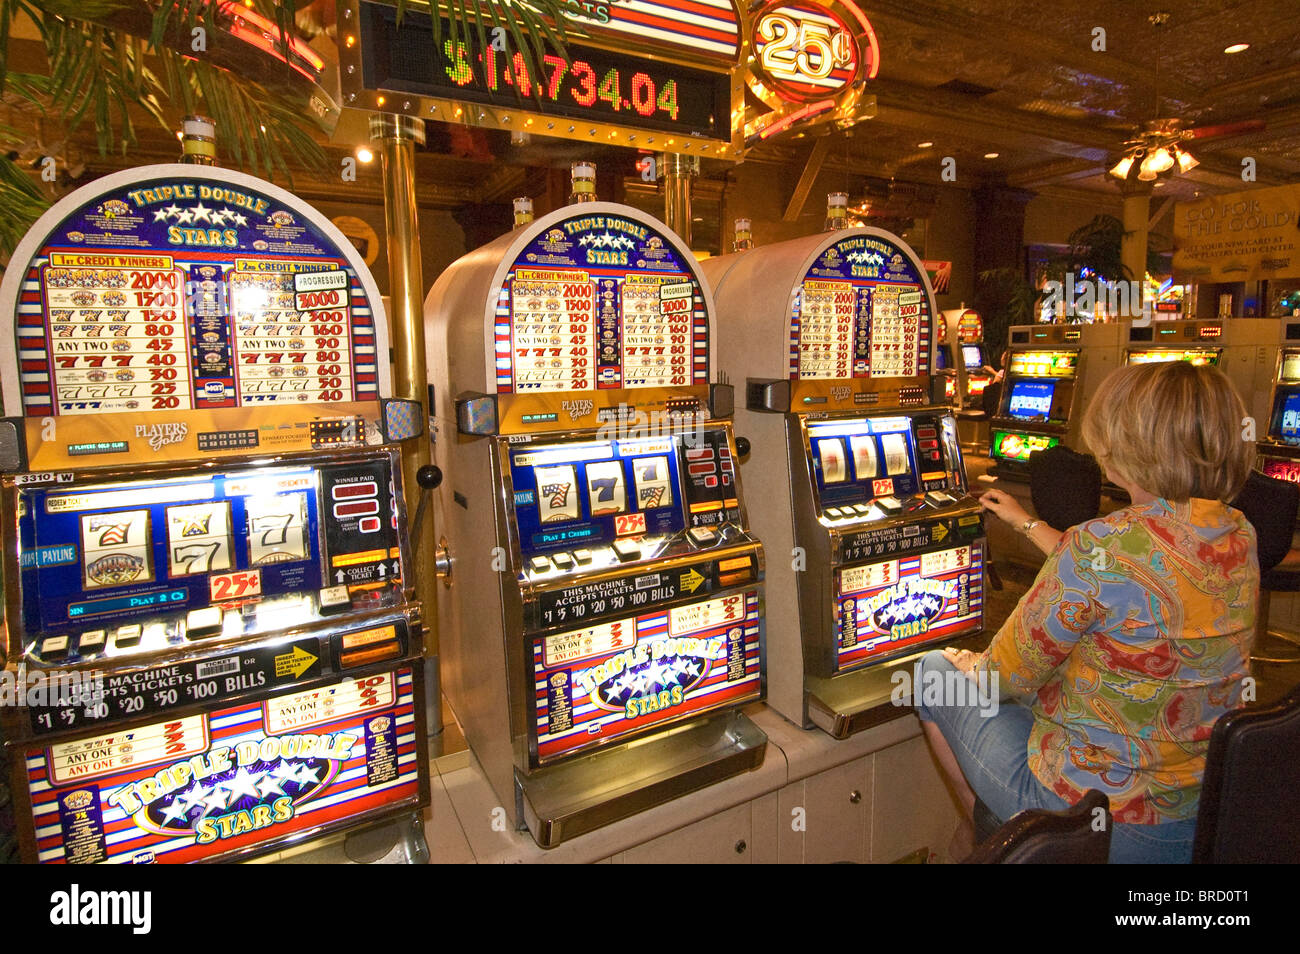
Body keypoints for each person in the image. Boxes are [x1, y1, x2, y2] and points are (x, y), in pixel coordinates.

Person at [916, 360, 1257, 863]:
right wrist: (1028, 524)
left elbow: (1003, 678)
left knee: (932, 672)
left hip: (1098, 820)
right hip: (1204, 807)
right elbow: (1138, 576)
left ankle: (1006, 844)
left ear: (1129, 446)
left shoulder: (1099, 545)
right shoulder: (1238, 532)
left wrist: (968, 665)